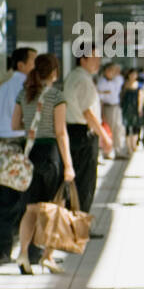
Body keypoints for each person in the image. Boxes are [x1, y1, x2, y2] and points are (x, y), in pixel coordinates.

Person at [13, 54, 73, 275]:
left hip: (30, 153)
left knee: (30, 209)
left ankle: (23, 253)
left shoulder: (23, 94)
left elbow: (14, 123)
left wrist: (31, 123)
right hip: (50, 154)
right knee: (54, 208)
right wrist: (68, 165)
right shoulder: (56, 96)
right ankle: (47, 256)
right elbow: (60, 132)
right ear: (55, 72)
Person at [0, 47, 36, 266]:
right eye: (34, 61)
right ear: (21, 65)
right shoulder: (28, 87)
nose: (36, 65)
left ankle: (0, 252)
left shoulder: (3, 88)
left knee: (5, 201)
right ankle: (29, 251)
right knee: (27, 203)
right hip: (22, 148)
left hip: (4, 150)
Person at [62, 51, 112, 235]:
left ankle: (74, 226)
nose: (98, 62)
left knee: (77, 183)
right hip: (82, 134)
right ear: (83, 59)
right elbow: (88, 113)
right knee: (85, 183)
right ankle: (79, 228)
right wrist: (104, 137)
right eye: (95, 58)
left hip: (74, 132)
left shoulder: (74, 77)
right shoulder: (82, 79)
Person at [97, 61, 124, 159]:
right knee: (109, 129)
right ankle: (107, 151)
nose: (113, 72)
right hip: (107, 107)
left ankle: (117, 149)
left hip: (116, 106)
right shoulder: (102, 82)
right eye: (110, 70)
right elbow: (99, 95)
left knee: (118, 128)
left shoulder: (116, 80)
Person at [120, 69, 143, 157]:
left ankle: (134, 145)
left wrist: (140, 109)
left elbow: (140, 97)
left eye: (135, 74)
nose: (133, 76)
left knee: (135, 127)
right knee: (126, 127)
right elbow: (122, 95)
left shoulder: (139, 85)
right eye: (132, 74)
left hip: (134, 108)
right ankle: (129, 147)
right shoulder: (125, 84)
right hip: (126, 108)